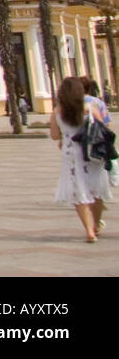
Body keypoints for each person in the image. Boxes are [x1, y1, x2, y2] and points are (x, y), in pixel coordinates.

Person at [49, 76, 113, 242]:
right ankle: (96, 224)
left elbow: (55, 136)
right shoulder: (90, 108)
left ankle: (89, 231)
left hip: (71, 154)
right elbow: (103, 130)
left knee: (79, 191)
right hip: (92, 152)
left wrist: (65, 134)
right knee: (96, 190)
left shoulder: (57, 112)